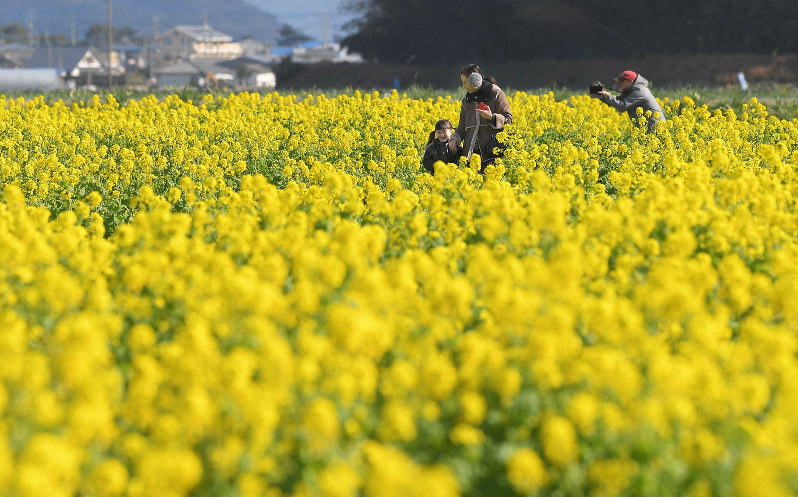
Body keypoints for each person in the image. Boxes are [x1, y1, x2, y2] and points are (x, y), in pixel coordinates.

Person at [450, 64, 513, 173]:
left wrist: (492, 117)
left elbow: (509, 119)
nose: (464, 87)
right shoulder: (467, 100)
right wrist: (455, 139)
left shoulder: (496, 94)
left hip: (491, 154)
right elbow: (462, 125)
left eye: (465, 83)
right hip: (471, 155)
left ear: (475, 80)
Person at [591, 70, 665, 131]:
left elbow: (622, 106)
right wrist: (602, 96)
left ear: (631, 81)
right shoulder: (632, 90)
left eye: (622, 81)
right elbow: (617, 100)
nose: (619, 84)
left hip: (656, 129)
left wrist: (607, 95)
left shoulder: (640, 91)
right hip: (645, 130)